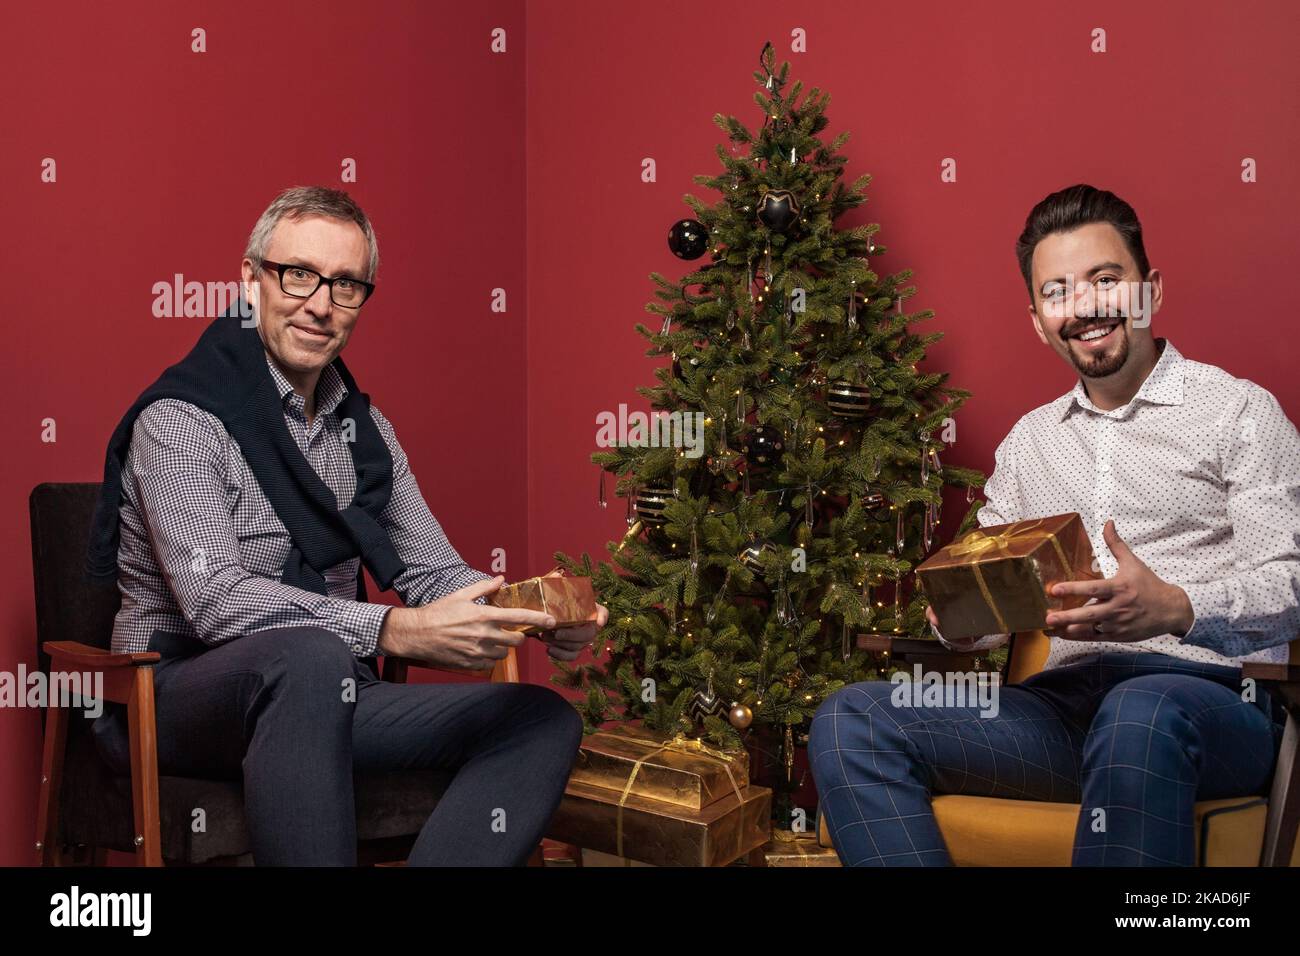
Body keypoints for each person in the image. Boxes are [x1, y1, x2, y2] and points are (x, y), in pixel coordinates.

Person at [86, 185, 606, 866]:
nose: (320, 305)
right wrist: (390, 629)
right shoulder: (182, 421)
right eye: (298, 274)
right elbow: (215, 603)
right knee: (307, 655)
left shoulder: (365, 430)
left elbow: (433, 572)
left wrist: (538, 615)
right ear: (251, 279)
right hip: (178, 695)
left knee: (540, 719)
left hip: (326, 692)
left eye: (346, 285)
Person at [809, 183, 1300, 866]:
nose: (1085, 308)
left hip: (1209, 704)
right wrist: (961, 608)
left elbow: (1290, 586)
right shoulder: (1027, 444)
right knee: (852, 718)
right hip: (1060, 714)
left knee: (1141, 714)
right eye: (1057, 292)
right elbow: (982, 608)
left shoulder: (1240, 414)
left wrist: (1174, 607)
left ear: (1149, 291)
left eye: (1106, 280)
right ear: (1038, 320)